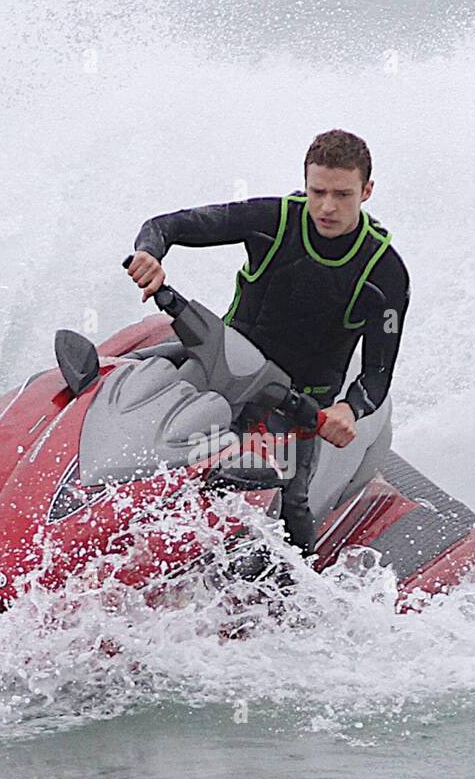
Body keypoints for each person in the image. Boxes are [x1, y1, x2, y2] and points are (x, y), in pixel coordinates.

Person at [127, 128, 410, 555]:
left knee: (290, 505)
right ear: (304, 182)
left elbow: (378, 371)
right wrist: (150, 255)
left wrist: (350, 409)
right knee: (130, 380)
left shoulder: (385, 272)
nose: (327, 207)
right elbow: (166, 226)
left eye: (342, 194)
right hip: (222, 372)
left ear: (366, 191)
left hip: (296, 407)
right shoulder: (273, 220)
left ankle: (294, 603)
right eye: (317, 192)